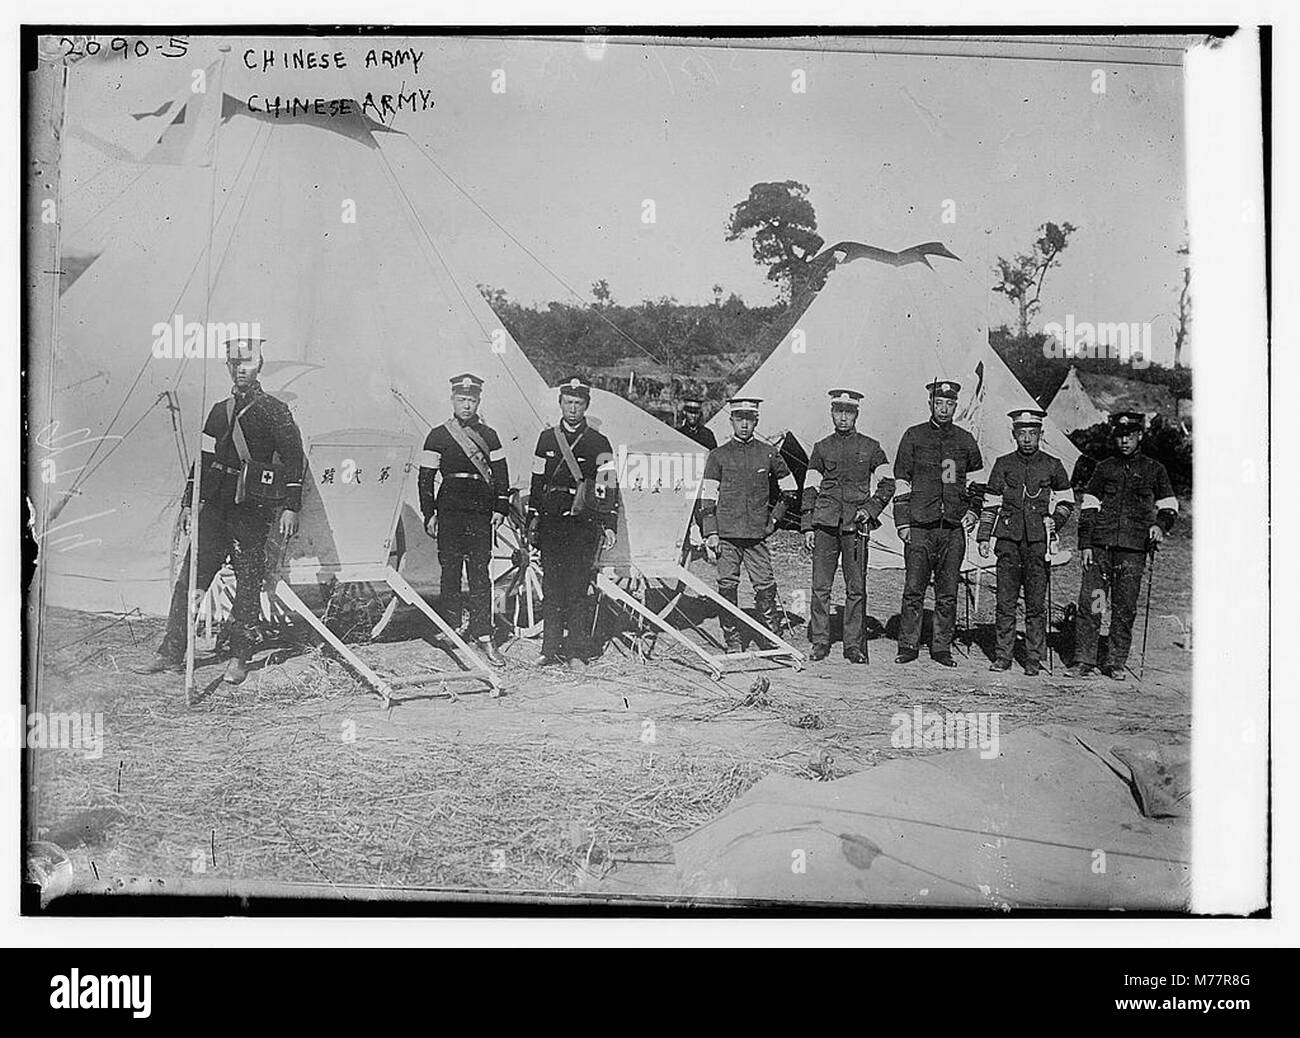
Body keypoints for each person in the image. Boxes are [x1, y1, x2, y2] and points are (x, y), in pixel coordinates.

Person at [134, 337, 304, 685]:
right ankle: (170, 652)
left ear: (260, 364)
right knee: (190, 578)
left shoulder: (275, 410)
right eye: (233, 363)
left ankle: (240, 656)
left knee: (247, 584)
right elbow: (204, 459)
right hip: (214, 509)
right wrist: (187, 502)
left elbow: (293, 460)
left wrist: (291, 506)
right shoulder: (217, 411)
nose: (240, 369)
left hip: (251, 511)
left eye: (247, 362)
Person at [1065, 412, 1179, 680]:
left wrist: (1160, 526)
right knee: (1094, 603)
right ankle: (1085, 660)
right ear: (1114, 437)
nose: (1125, 440)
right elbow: (1089, 506)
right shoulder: (1104, 468)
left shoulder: (1155, 469)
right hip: (1101, 547)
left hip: (1133, 550)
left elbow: (1170, 505)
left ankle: (1115, 662)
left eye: (1130, 435)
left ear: (1140, 436)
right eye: (1120, 435)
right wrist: (1086, 545)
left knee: (1124, 606)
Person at [418, 373, 510, 667]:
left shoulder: (490, 436)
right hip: (450, 510)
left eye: (471, 400)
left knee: (481, 573)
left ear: (478, 401)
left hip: (481, 511)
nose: (466, 405)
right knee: (450, 571)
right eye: (461, 399)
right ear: (453, 400)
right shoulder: (437, 435)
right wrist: (429, 513)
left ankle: (484, 634)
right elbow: (426, 478)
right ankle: (451, 627)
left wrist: (500, 508)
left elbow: (501, 474)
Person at [527, 377, 620, 668]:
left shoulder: (599, 442)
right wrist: (533, 518)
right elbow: (537, 480)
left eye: (579, 403)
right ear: (560, 403)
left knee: (579, 588)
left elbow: (609, 485)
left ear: (586, 405)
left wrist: (609, 524)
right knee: (552, 586)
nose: (573, 409)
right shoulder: (546, 439)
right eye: (568, 402)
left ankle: (577, 651)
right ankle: (550, 648)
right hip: (553, 523)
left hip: (583, 524)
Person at [893, 379, 984, 667]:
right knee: (914, 589)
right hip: (920, 526)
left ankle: (941, 647)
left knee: (948, 591)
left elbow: (979, 482)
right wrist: (902, 522)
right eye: (938, 403)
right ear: (930, 404)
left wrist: (973, 511)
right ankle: (908, 645)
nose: (943, 408)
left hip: (953, 528)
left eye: (949, 403)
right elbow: (901, 481)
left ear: (956, 405)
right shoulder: (914, 436)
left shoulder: (965, 439)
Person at [976, 409, 1075, 676]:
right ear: (1014, 435)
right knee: (1005, 602)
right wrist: (984, 535)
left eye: (1033, 433)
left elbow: (1067, 500)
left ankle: (1033, 658)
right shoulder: (1003, 463)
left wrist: (1057, 521)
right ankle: (1003, 656)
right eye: (1022, 434)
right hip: (1008, 542)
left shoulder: (1053, 464)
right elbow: (991, 502)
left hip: (1037, 543)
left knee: (1035, 604)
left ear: (1041, 434)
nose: (1027, 439)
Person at [801, 389, 895, 663]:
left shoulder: (871, 447)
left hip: (855, 527)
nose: (843, 417)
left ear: (857, 414)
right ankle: (820, 641)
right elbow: (809, 488)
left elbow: (888, 483)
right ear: (831, 413)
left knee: (856, 588)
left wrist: (870, 509)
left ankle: (853, 645)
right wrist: (808, 525)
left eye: (849, 412)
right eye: (838, 411)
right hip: (825, 526)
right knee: (821, 587)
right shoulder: (821, 448)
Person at [699, 397, 798, 652]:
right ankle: (733, 640)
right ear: (731, 421)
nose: (744, 424)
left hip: (756, 536)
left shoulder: (768, 453)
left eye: (750, 419)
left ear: (757, 421)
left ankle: (771, 638)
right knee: (727, 587)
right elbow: (707, 497)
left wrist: (773, 521)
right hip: (727, 536)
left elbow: (790, 490)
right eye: (739, 418)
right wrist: (711, 532)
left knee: (765, 586)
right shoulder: (718, 455)